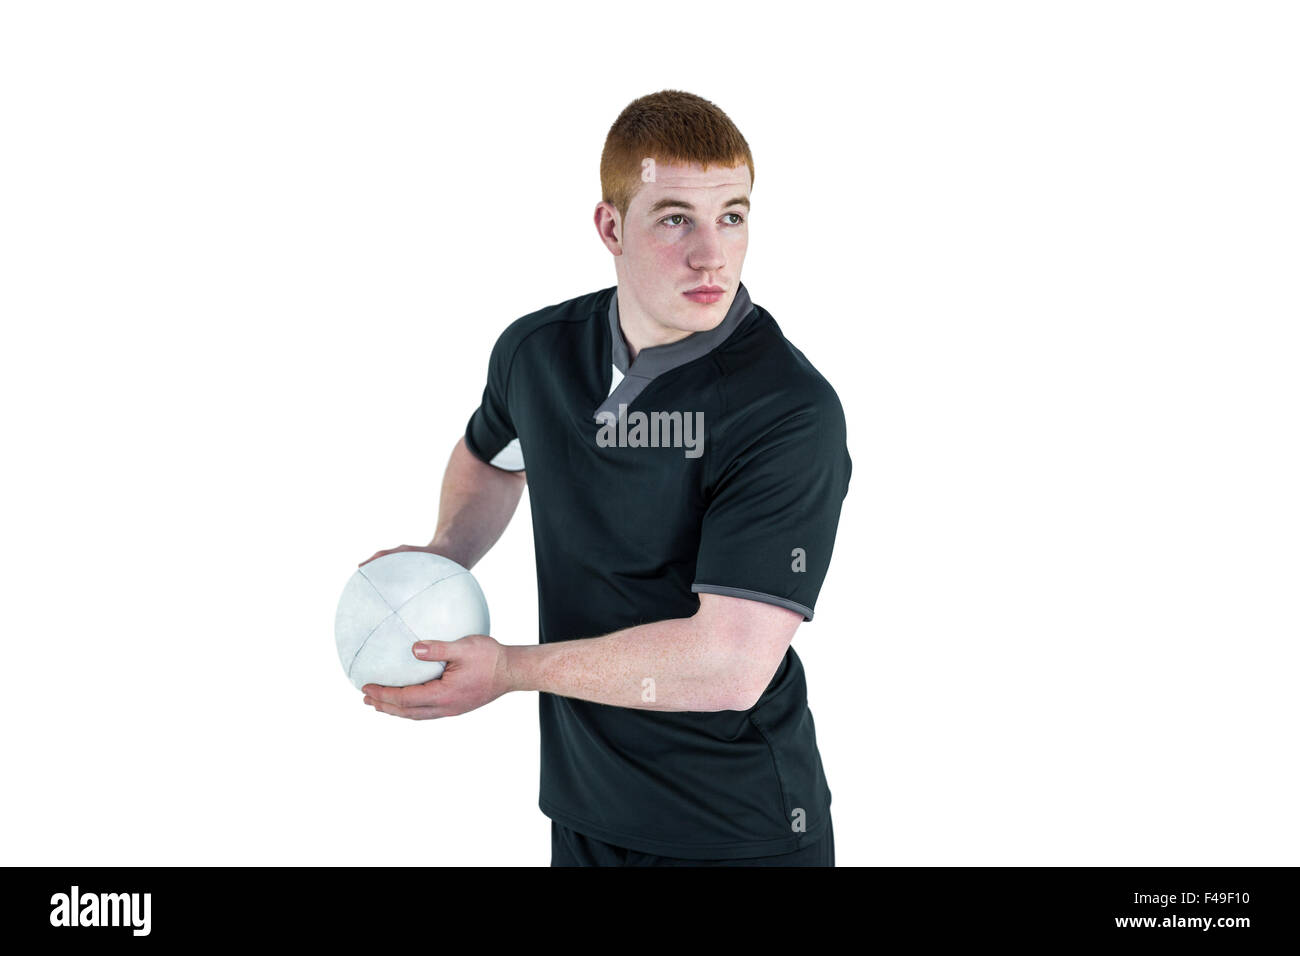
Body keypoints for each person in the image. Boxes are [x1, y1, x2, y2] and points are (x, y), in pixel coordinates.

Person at [359, 90, 852, 866]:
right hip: (586, 817)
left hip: (738, 830)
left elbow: (728, 664)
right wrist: (441, 561)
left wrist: (511, 670)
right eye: (675, 218)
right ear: (611, 227)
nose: (711, 255)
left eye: (732, 215)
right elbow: (491, 456)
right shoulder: (539, 354)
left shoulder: (787, 412)